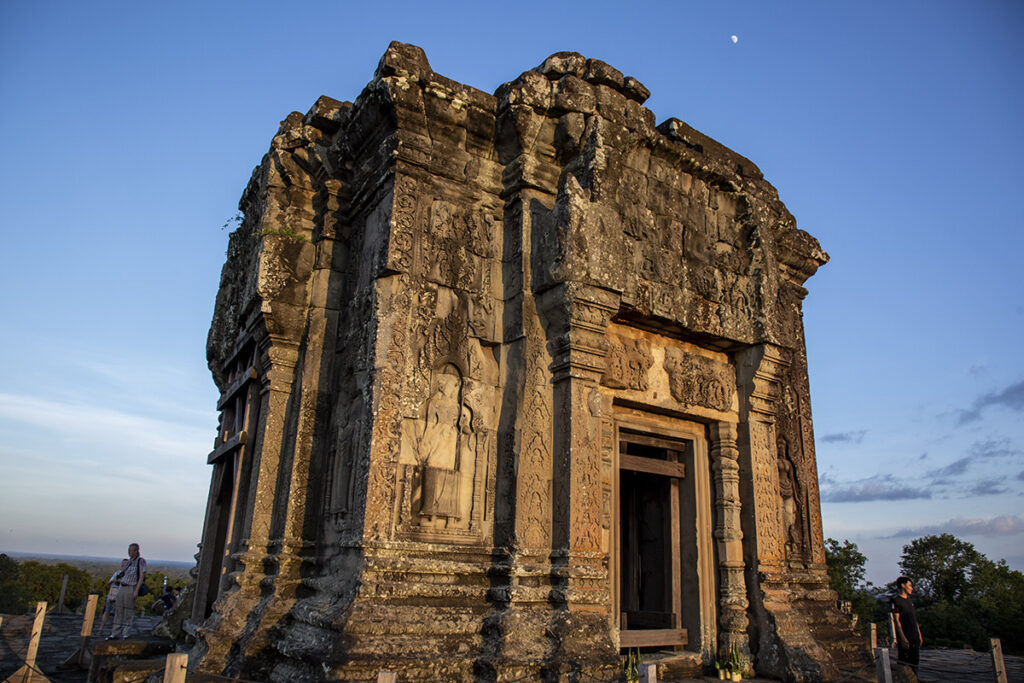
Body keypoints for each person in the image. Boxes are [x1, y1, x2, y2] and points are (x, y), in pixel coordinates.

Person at [108, 543, 146, 640]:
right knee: (118, 610)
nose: (129, 552)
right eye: (129, 550)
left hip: (131, 587)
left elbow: (141, 576)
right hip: (122, 586)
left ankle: (126, 633)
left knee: (128, 611)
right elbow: (123, 574)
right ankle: (115, 633)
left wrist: (136, 590)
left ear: (136, 551)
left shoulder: (140, 561)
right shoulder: (128, 562)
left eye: (131, 550)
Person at [890, 576, 923, 671]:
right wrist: (903, 638)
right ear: (903, 586)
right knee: (903, 662)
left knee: (915, 662)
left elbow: (914, 619)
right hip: (905, 634)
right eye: (910, 585)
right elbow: (897, 621)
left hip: (914, 635)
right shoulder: (896, 601)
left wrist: (919, 634)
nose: (911, 588)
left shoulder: (909, 600)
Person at [96, 570, 120, 637]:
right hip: (111, 594)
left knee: (116, 614)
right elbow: (109, 583)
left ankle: (113, 631)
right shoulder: (117, 573)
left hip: (119, 596)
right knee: (107, 611)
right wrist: (114, 581)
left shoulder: (128, 575)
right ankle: (101, 629)